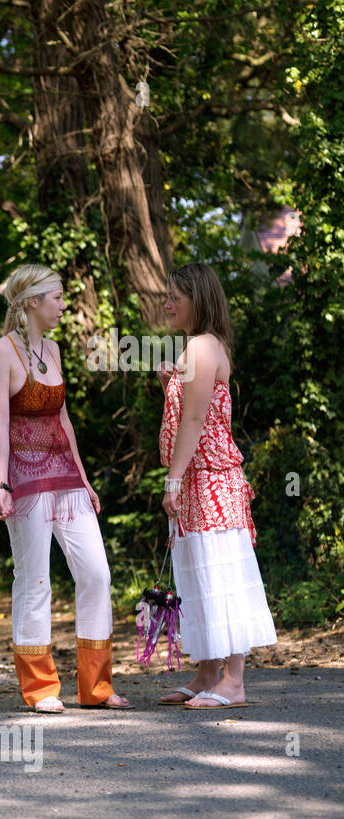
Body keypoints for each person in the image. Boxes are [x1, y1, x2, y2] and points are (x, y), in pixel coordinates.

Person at [0, 265, 133, 712]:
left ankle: (97, 687)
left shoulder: (54, 349)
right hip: (25, 482)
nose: (64, 305)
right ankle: (41, 689)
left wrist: (84, 480)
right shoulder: (0, 353)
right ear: (32, 302)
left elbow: (63, 418)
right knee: (34, 581)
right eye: (57, 298)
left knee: (96, 574)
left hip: (66, 478)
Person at [157, 263, 276, 708]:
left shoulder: (203, 348)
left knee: (222, 572)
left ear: (198, 300)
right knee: (197, 575)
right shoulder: (196, 349)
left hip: (209, 480)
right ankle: (208, 673)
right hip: (196, 479)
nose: (167, 304)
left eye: (175, 296)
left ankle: (234, 680)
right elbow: (193, 412)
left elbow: (193, 421)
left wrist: (172, 479)